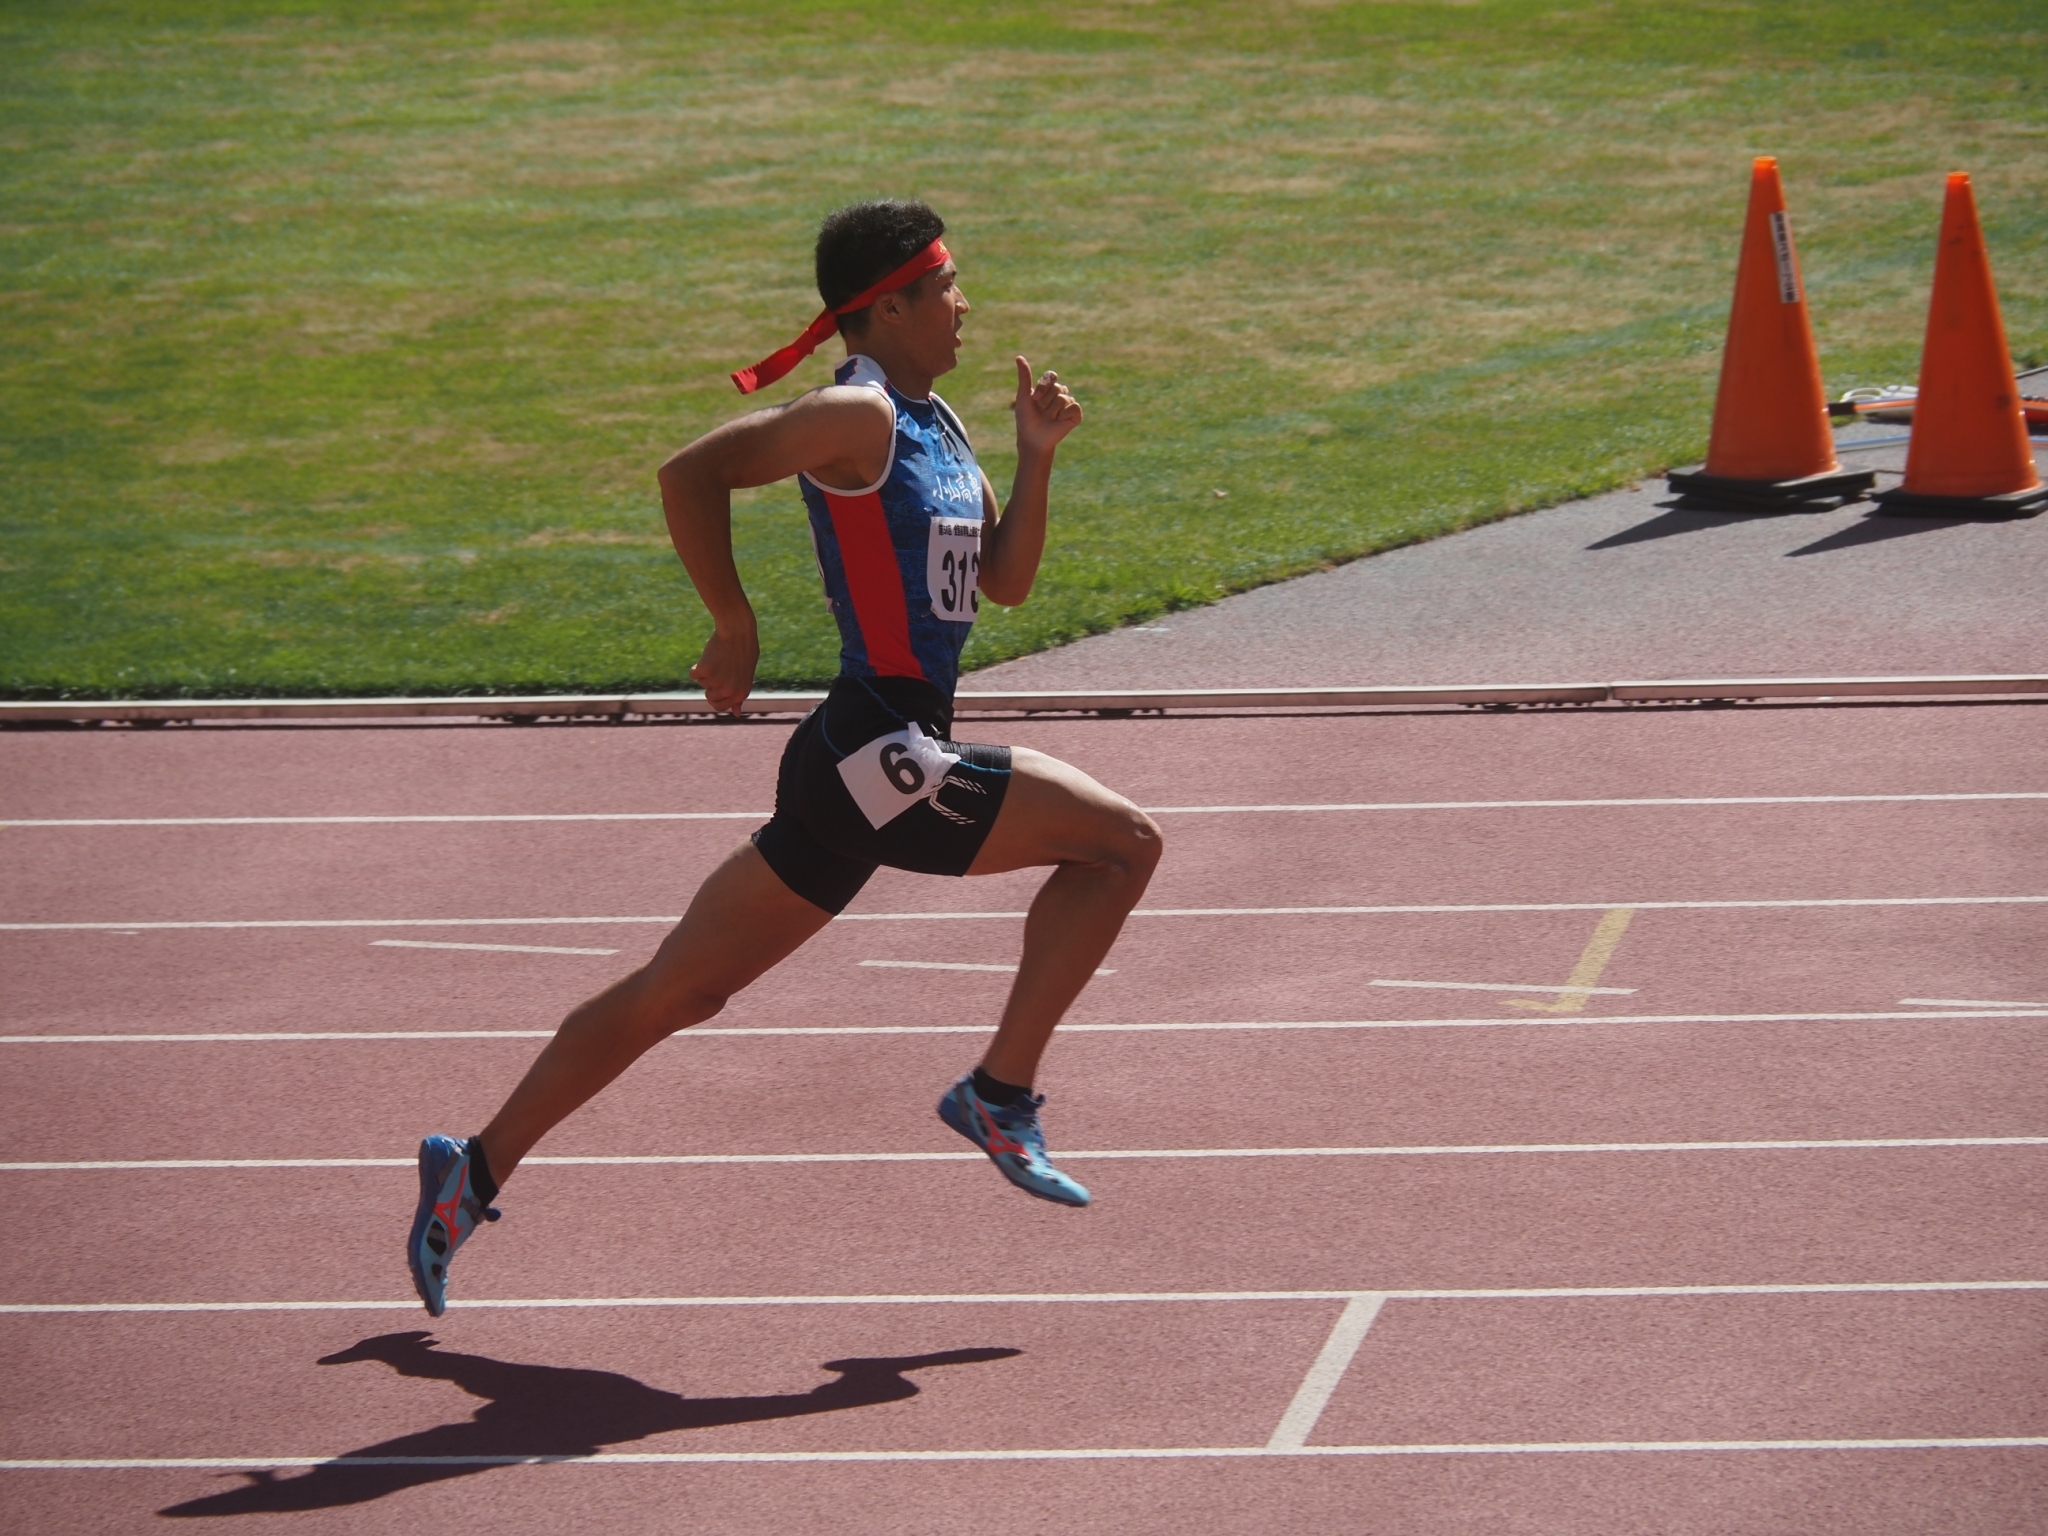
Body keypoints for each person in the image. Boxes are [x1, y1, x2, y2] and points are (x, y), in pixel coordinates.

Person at [407, 199, 1164, 1317]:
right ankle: (999, 1093)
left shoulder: (937, 423)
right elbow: (689, 473)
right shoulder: (852, 417)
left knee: (682, 989)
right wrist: (734, 623)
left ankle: (466, 1175)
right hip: (878, 748)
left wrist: (1035, 457)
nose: (964, 305)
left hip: (858, 762)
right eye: (946, 286)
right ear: (888, 304)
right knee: (1122, 846)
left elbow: (1001, 583)